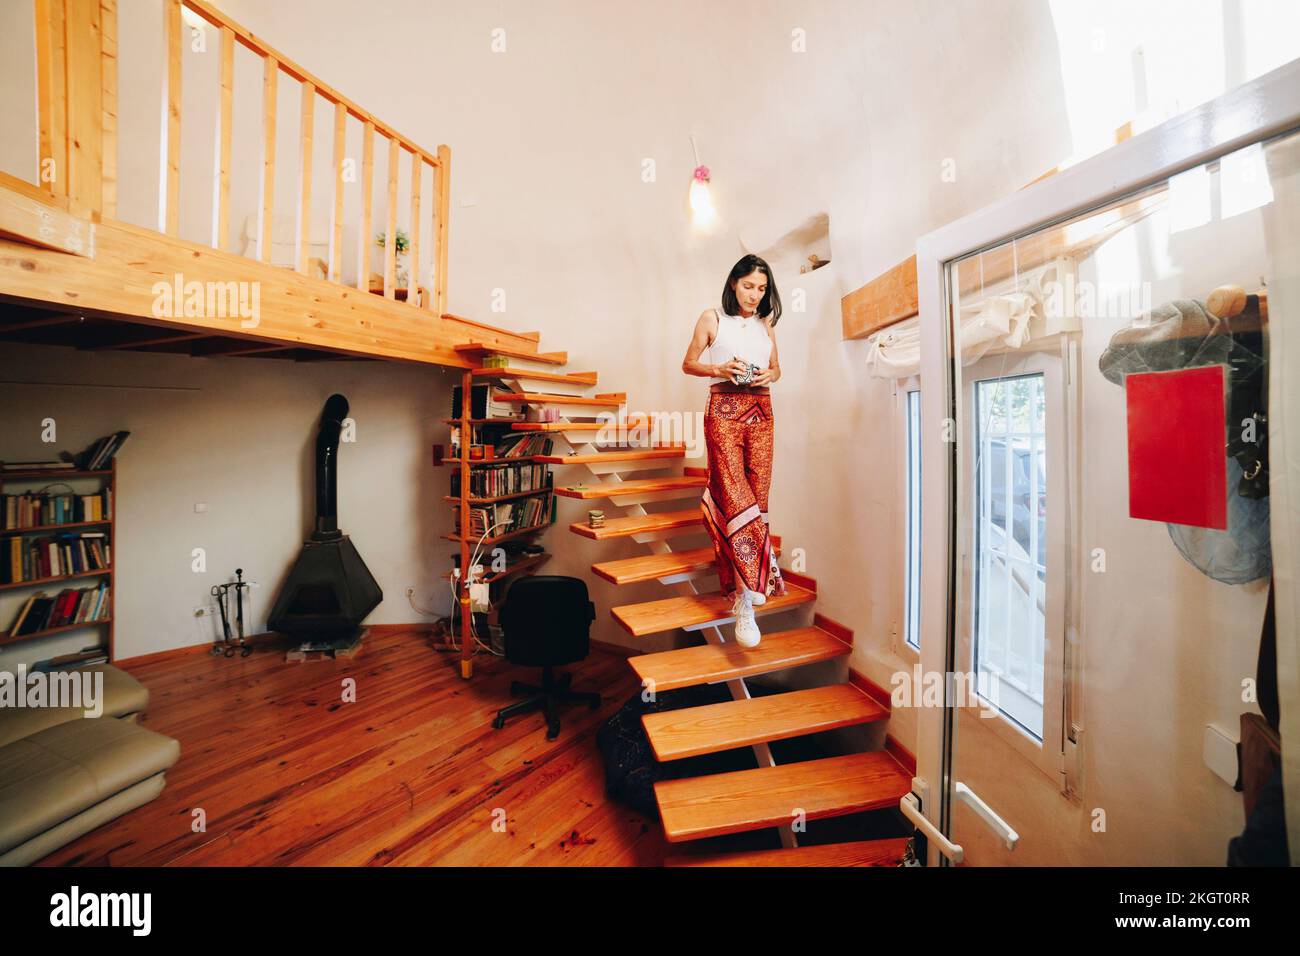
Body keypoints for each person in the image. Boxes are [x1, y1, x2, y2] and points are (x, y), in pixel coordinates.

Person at [680, 254, 787, 647]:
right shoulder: (712, 318)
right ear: (733, 284)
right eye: (748, 286)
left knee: (757, 499)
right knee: (735, 495)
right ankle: (751, 590)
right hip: (723, 408)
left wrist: (768, 374)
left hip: (762, 409)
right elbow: (688, 363)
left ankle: (746, 589)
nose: (754, 295)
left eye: (761, 289)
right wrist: (719, 369)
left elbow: (777, 369)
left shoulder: (766, 323)